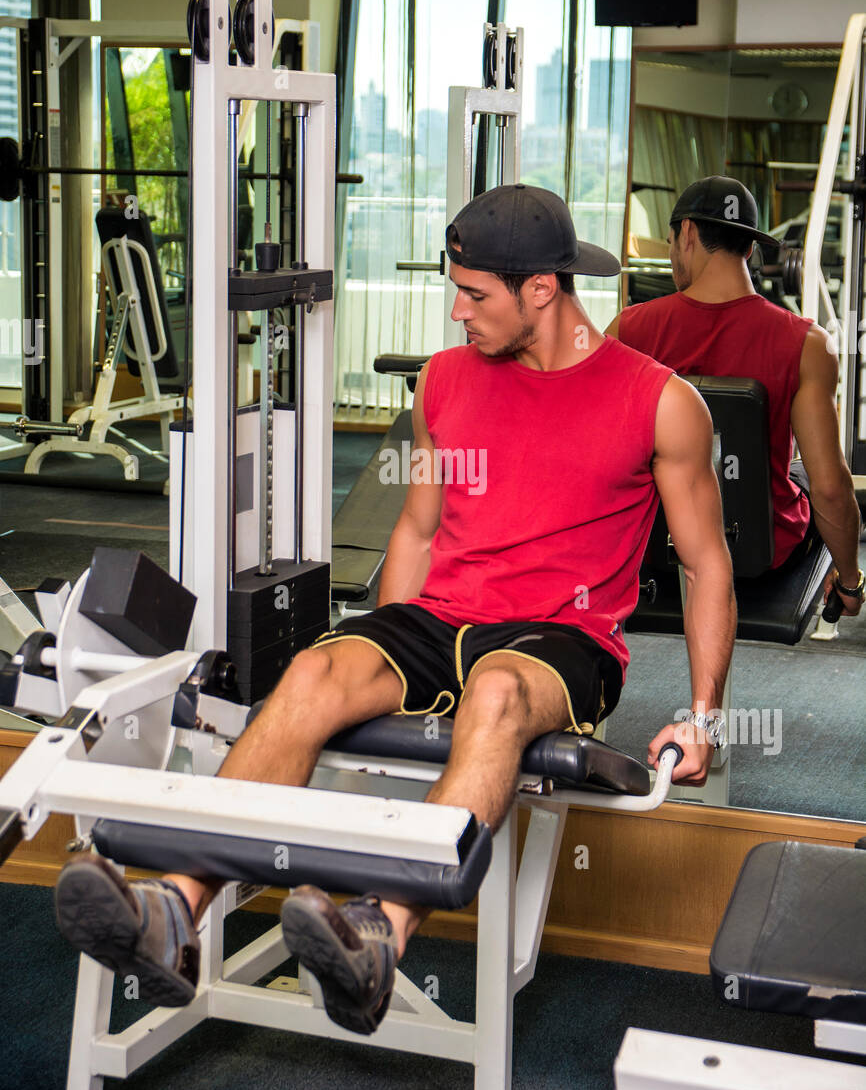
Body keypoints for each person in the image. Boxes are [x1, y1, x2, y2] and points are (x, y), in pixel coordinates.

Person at [55, 184, 736, 1037]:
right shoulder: (447, 383)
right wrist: (379, 671)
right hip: (440, 620)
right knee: (315, 670)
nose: (456, 312)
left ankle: (379, 937)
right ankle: (173, 913)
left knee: (495, 693)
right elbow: (415, 533)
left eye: (474, 294)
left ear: (542, 291)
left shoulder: (661, 401)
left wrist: (703, 716)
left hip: (558, 638)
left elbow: (708, 566)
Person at [606, 176, 863, 617]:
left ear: (686, 233)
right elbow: (831, 490)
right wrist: (851, 582)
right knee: (806, 473)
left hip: (657, 551)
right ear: (748, 249)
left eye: (670, 242)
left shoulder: (627, 331)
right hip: (761, 557)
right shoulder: (809, 344)